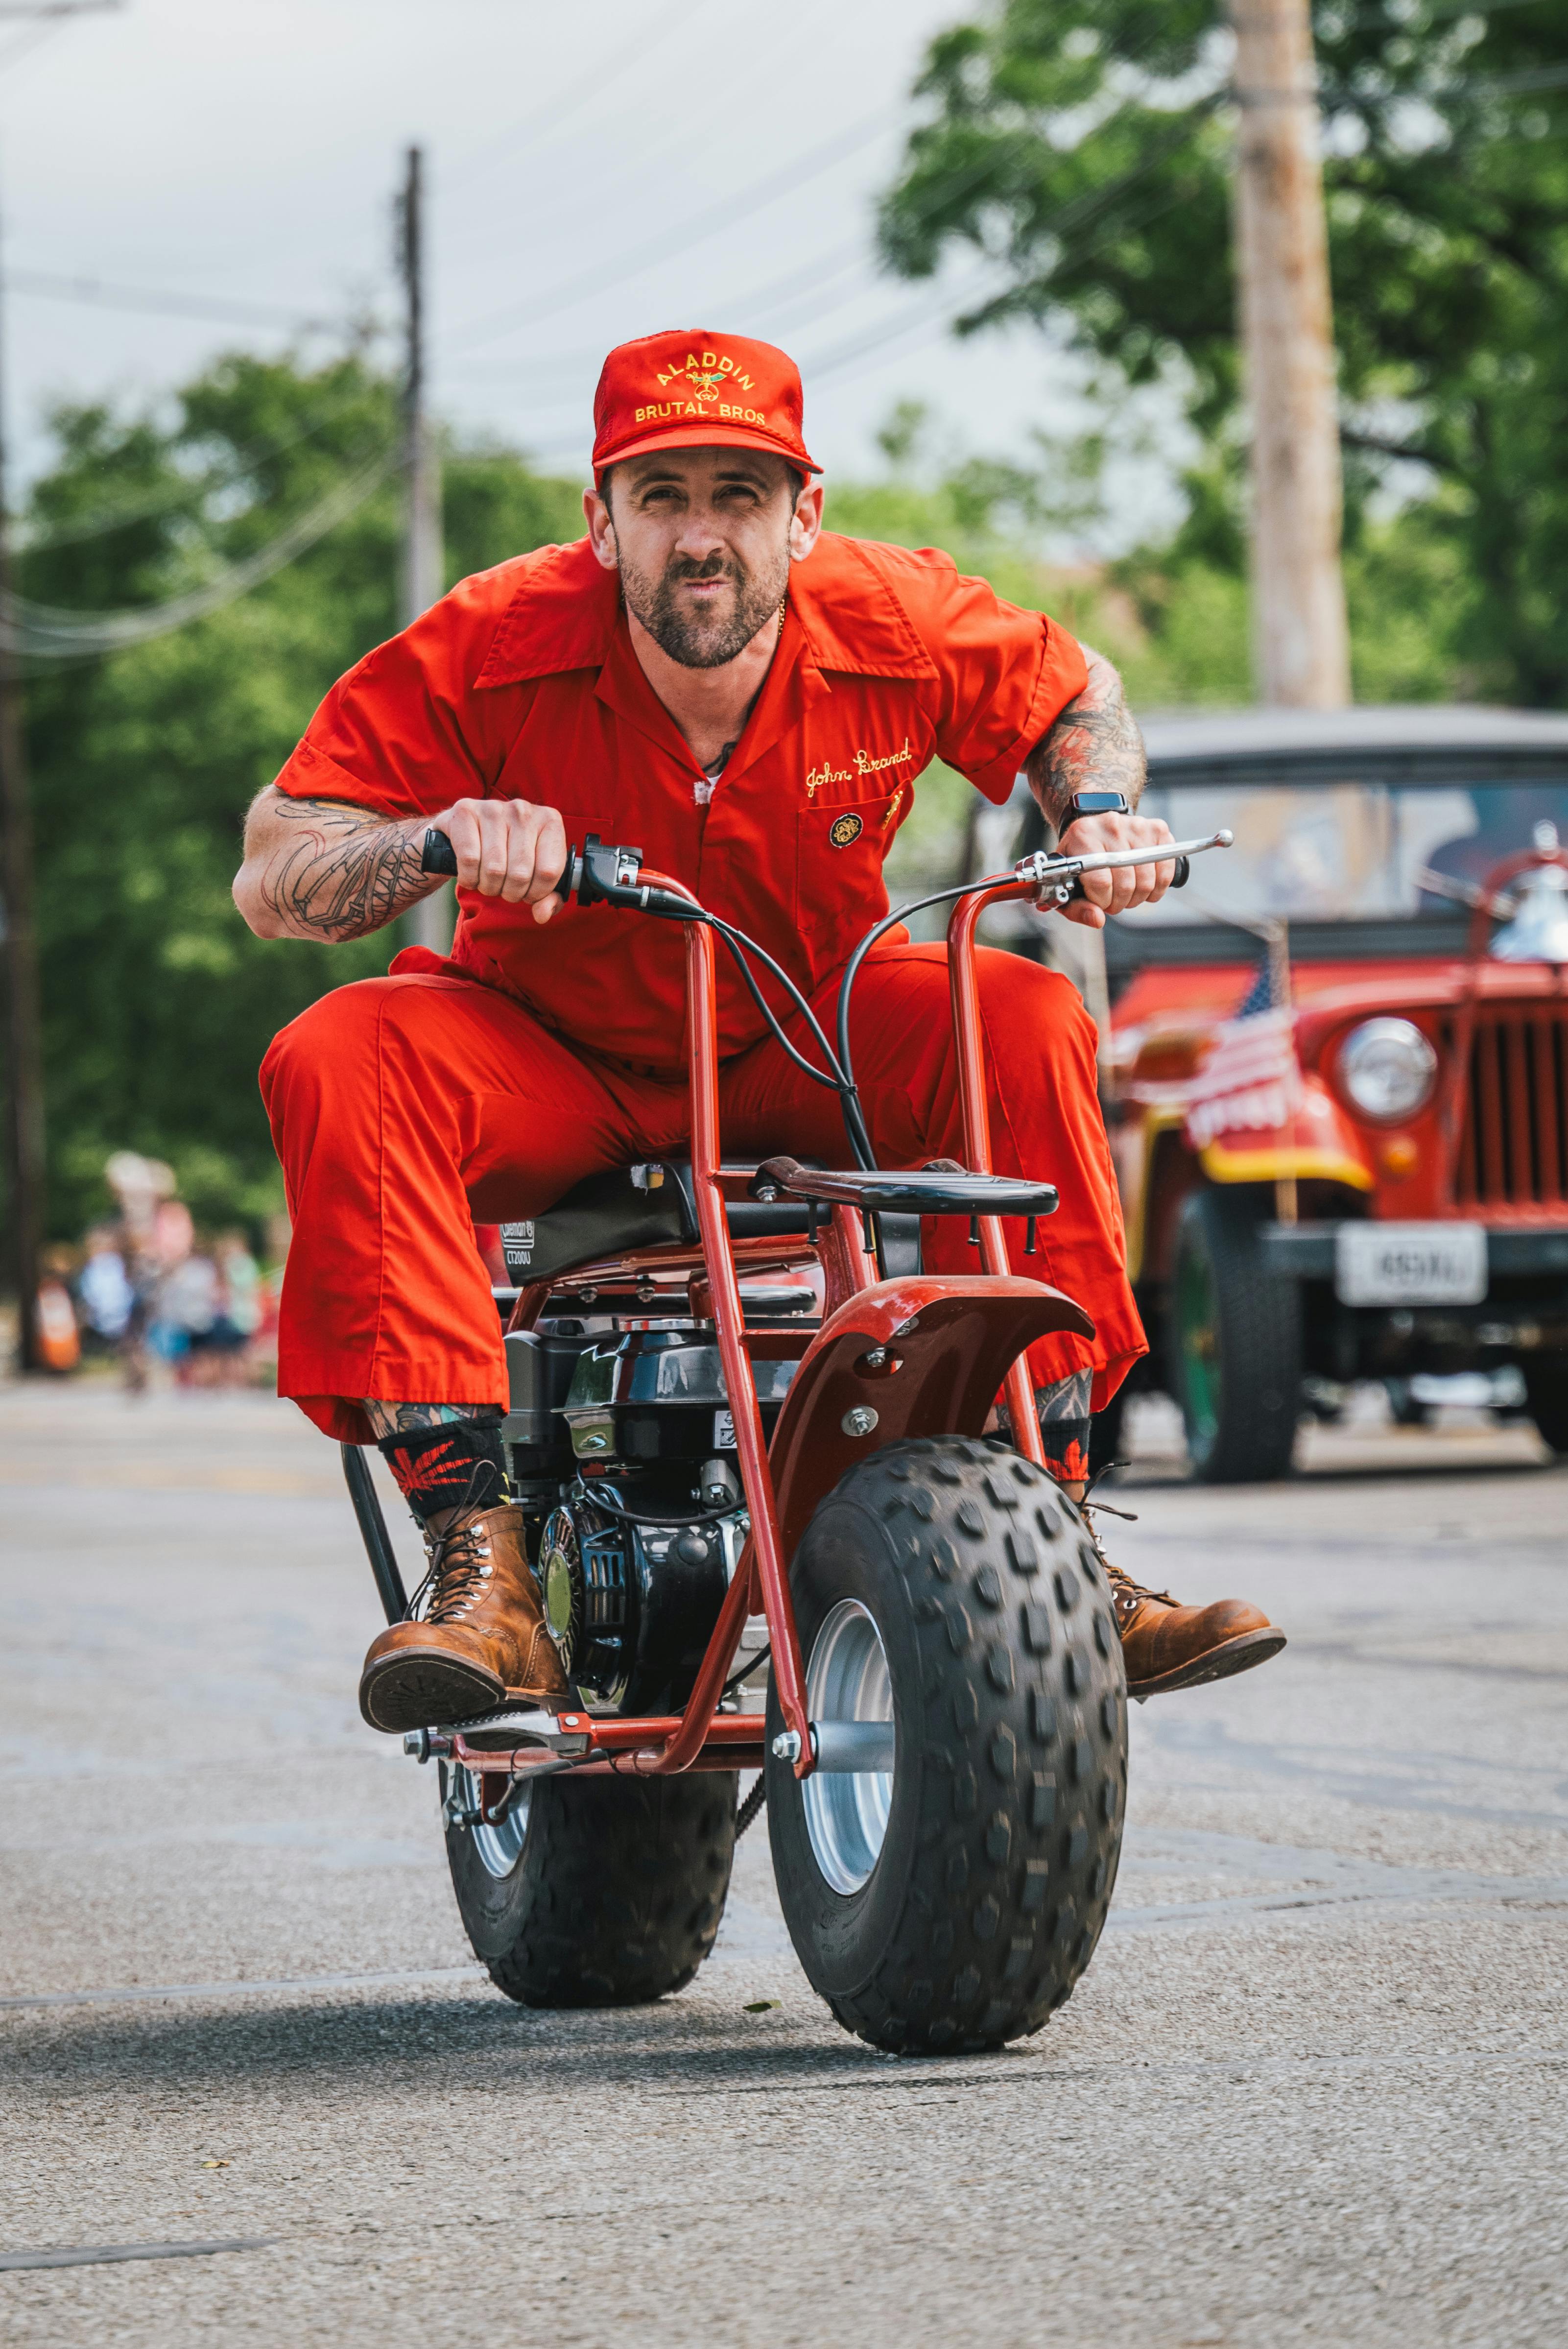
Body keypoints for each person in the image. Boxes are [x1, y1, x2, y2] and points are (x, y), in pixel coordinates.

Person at [234, 329, 1284, 1735]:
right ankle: (484, 1576)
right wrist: (434, 839)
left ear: (804, 514)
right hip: (554, 1052)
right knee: (339, 1052)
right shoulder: (494, 638)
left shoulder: (891, 616)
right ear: (600, 520)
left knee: (1024, 1012)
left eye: (739, 494)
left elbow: (1074, 689)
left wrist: (1092, 812)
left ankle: (1060, 1539)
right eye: (660, 496)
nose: (700, 535)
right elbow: (276, 865)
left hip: (808, 1031)